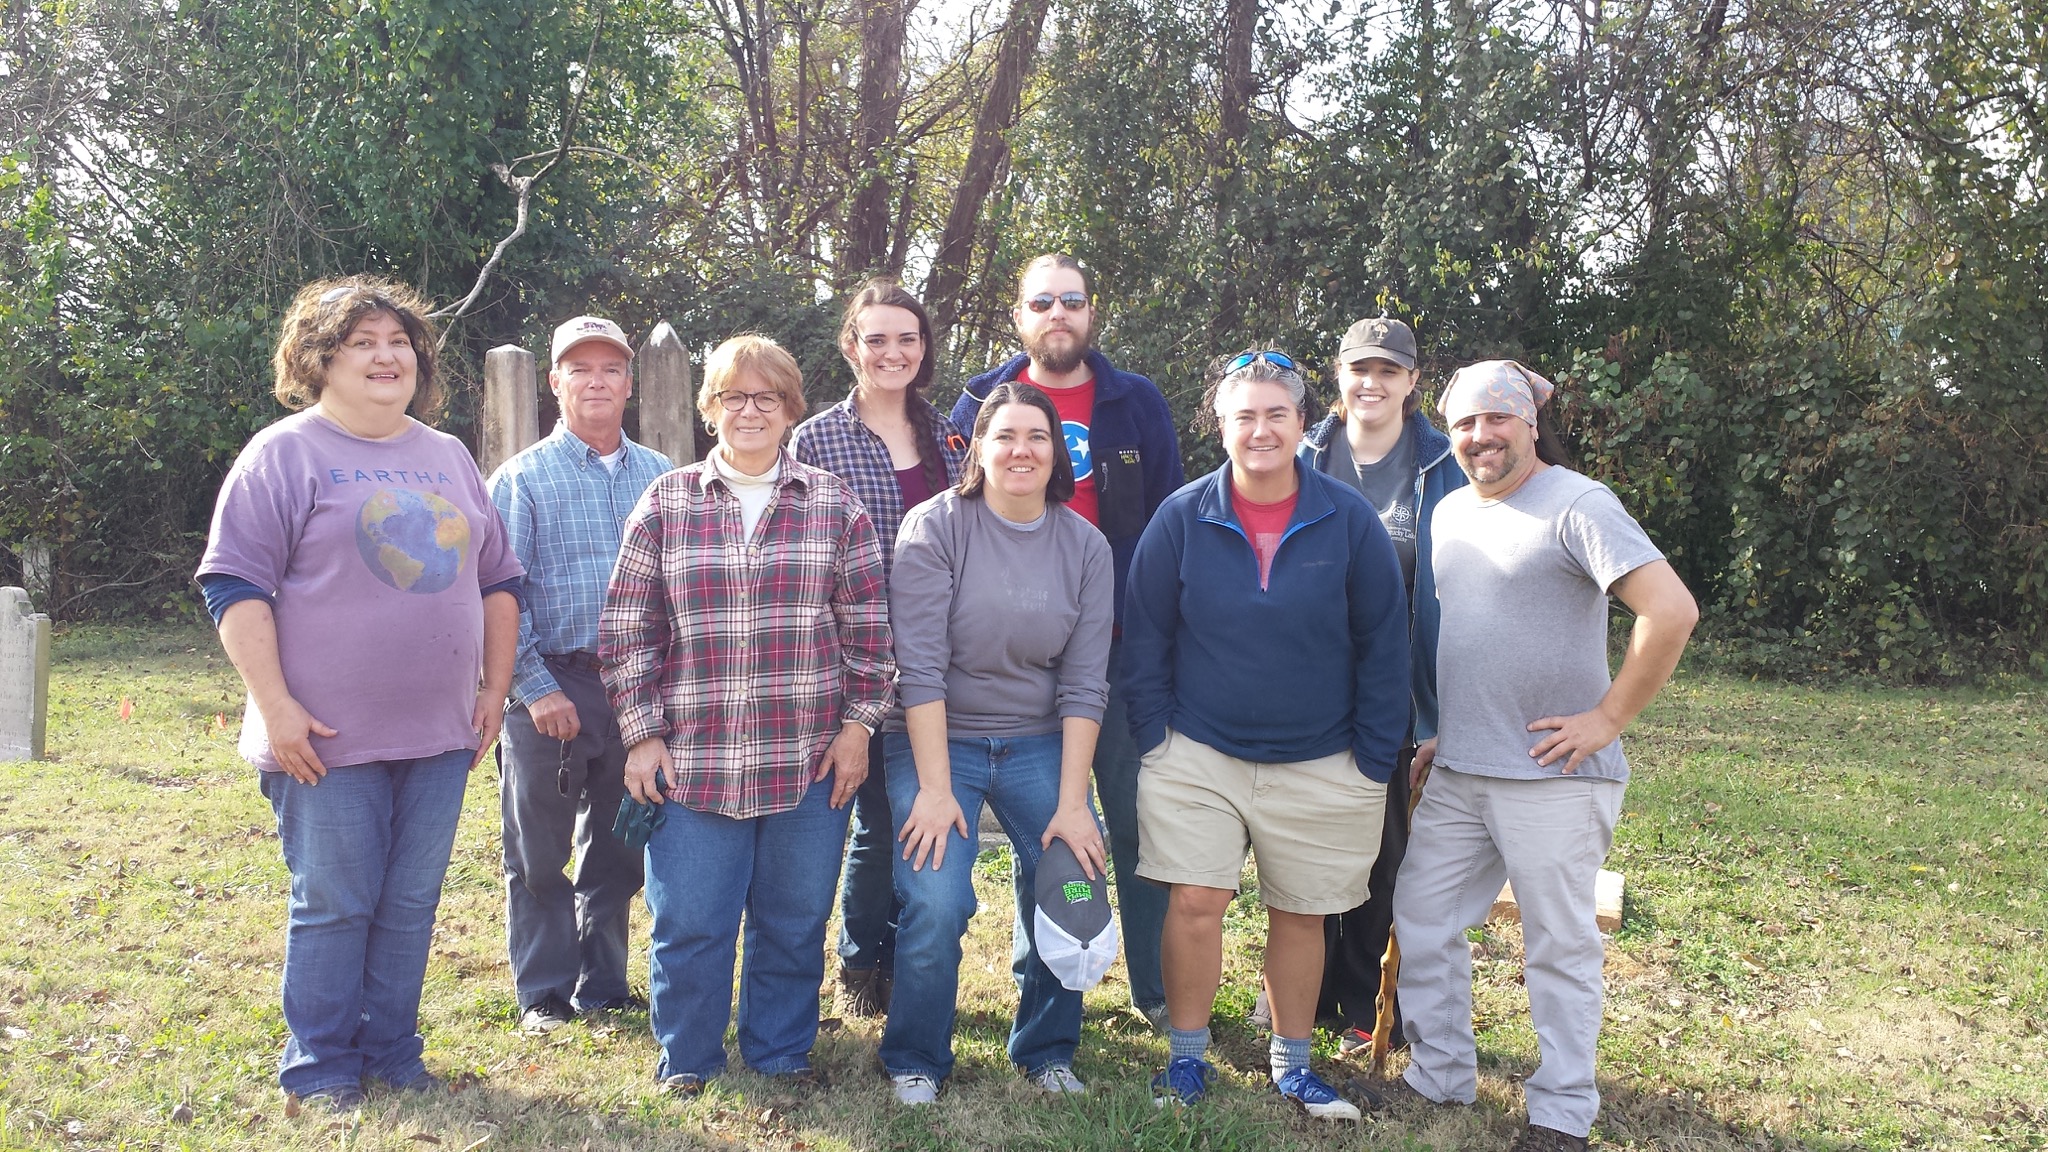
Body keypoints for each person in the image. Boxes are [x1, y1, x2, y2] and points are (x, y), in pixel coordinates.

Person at [196, 276, 523, 1111]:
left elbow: (498, 581)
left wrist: (495, 685)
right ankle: (322, 1065)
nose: (387, 356)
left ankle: (392, 1051)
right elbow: (234, 587)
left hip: (442, 733)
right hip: (323, 735)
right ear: (317, 361)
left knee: (410, 903)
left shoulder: (448, 456)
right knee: (336, 905)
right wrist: (276, 707)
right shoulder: (284, 454)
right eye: (362, 343)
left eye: (399, 342)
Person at [1390, 360, 1698, 1152]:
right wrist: (1445, 730)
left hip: (1553, 777)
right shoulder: (1451, 512)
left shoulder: (1577, 503)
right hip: (1462, 768)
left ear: (1530, 425)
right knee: (1422, 918)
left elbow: (1670, 612)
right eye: (1463, 422)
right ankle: (1439, 1077)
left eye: (1497, 420)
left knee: (1558, 947)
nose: (1479, 436)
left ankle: (1562, 1113)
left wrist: (1606, 717)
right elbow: (1473, 636)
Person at [599, 334, 893, 1093]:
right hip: (692, 763)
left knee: (793, 924)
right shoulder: (666, 503)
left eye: (768, 397)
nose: (751, 410)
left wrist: (859, 728)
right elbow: (628, 629)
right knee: (690, 924)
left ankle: (780, 1052)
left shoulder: (833, 504)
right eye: (734, 396)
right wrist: (641, 737)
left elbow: (869, 633)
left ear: (792, 409)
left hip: (807, 762)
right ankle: (688, 1059)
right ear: (710, 408)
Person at [1121, 350, 1410, 1120]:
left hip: (1323, 758)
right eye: (1243, 415)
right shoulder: (1181, 516)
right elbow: (1143, 637)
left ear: (1303, 423)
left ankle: (1294, 1063)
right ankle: (1186, 1060)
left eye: (1276, 414)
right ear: (1220, 426)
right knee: (1195, 900)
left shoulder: (1348, 519)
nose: (1260, 429)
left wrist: (1372, 760)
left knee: (1302, 911)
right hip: (1199, 753)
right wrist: (1156, 739)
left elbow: (1386, 643)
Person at [951, 253, 1183, 1032]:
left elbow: (1165, 529)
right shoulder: (979, 403)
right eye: (1041, 301)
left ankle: (1154, 990)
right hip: (1009, 655)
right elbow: (956, 514)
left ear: (1091, 312)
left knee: (1131, 816)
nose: (1059, 314)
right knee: (1041, 820)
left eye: (1073, 301)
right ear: (1018, 315)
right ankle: (1043, 964)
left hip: (1115, 649)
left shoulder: (1136, 402)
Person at [880, 382, 1114, 1105]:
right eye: (1005, 435)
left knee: (1071, 880)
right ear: (976, 447)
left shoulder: (1085, 545)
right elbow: (917, 667)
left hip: (1039, 738)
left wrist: (1074, 805)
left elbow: (1084, 684)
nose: (1021, 450)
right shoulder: (936, 527)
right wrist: (937, 789)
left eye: (1037, 437)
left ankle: (1045, 1049)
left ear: (1058, 453)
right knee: (939, 898)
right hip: (933, 739)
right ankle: (915, 1055)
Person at [488, 316, 672, 1033]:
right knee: (538, 850)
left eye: (610, 369)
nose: (596, 381)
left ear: (629, 384)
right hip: (550, 687)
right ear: (555, 383)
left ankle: (603, 985)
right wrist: (535, 690)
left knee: (622, 844)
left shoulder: (663, 477)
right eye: (580, 369)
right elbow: (499, 595)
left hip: (635, 688)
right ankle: (543, 993)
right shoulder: (520, 480)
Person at [790, 279, 966, 1020]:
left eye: (908, 339)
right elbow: (803, 552)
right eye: (878, 338)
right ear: (851, 346)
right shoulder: (817, 439)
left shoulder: (956, 432)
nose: (893, 352)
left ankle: (909, 956)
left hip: (941, 654)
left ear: (923, 349)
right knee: (872, 817)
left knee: (922, 808)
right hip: (854, 654)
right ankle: (863, 964)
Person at [1291, 316, 1466, 1052]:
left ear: (1413, 381)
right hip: (1301, 688)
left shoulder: (1440, 463)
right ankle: (1298, 991)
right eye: (1360, 369)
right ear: (1339, 375)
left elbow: (1458, 582)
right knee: (1299, 846)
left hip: (1391, 690)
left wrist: (1436, 707)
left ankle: (1360, 1003)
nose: (1373, 383)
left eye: (1389, 371)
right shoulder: (1304, 452)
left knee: (1378, 849)